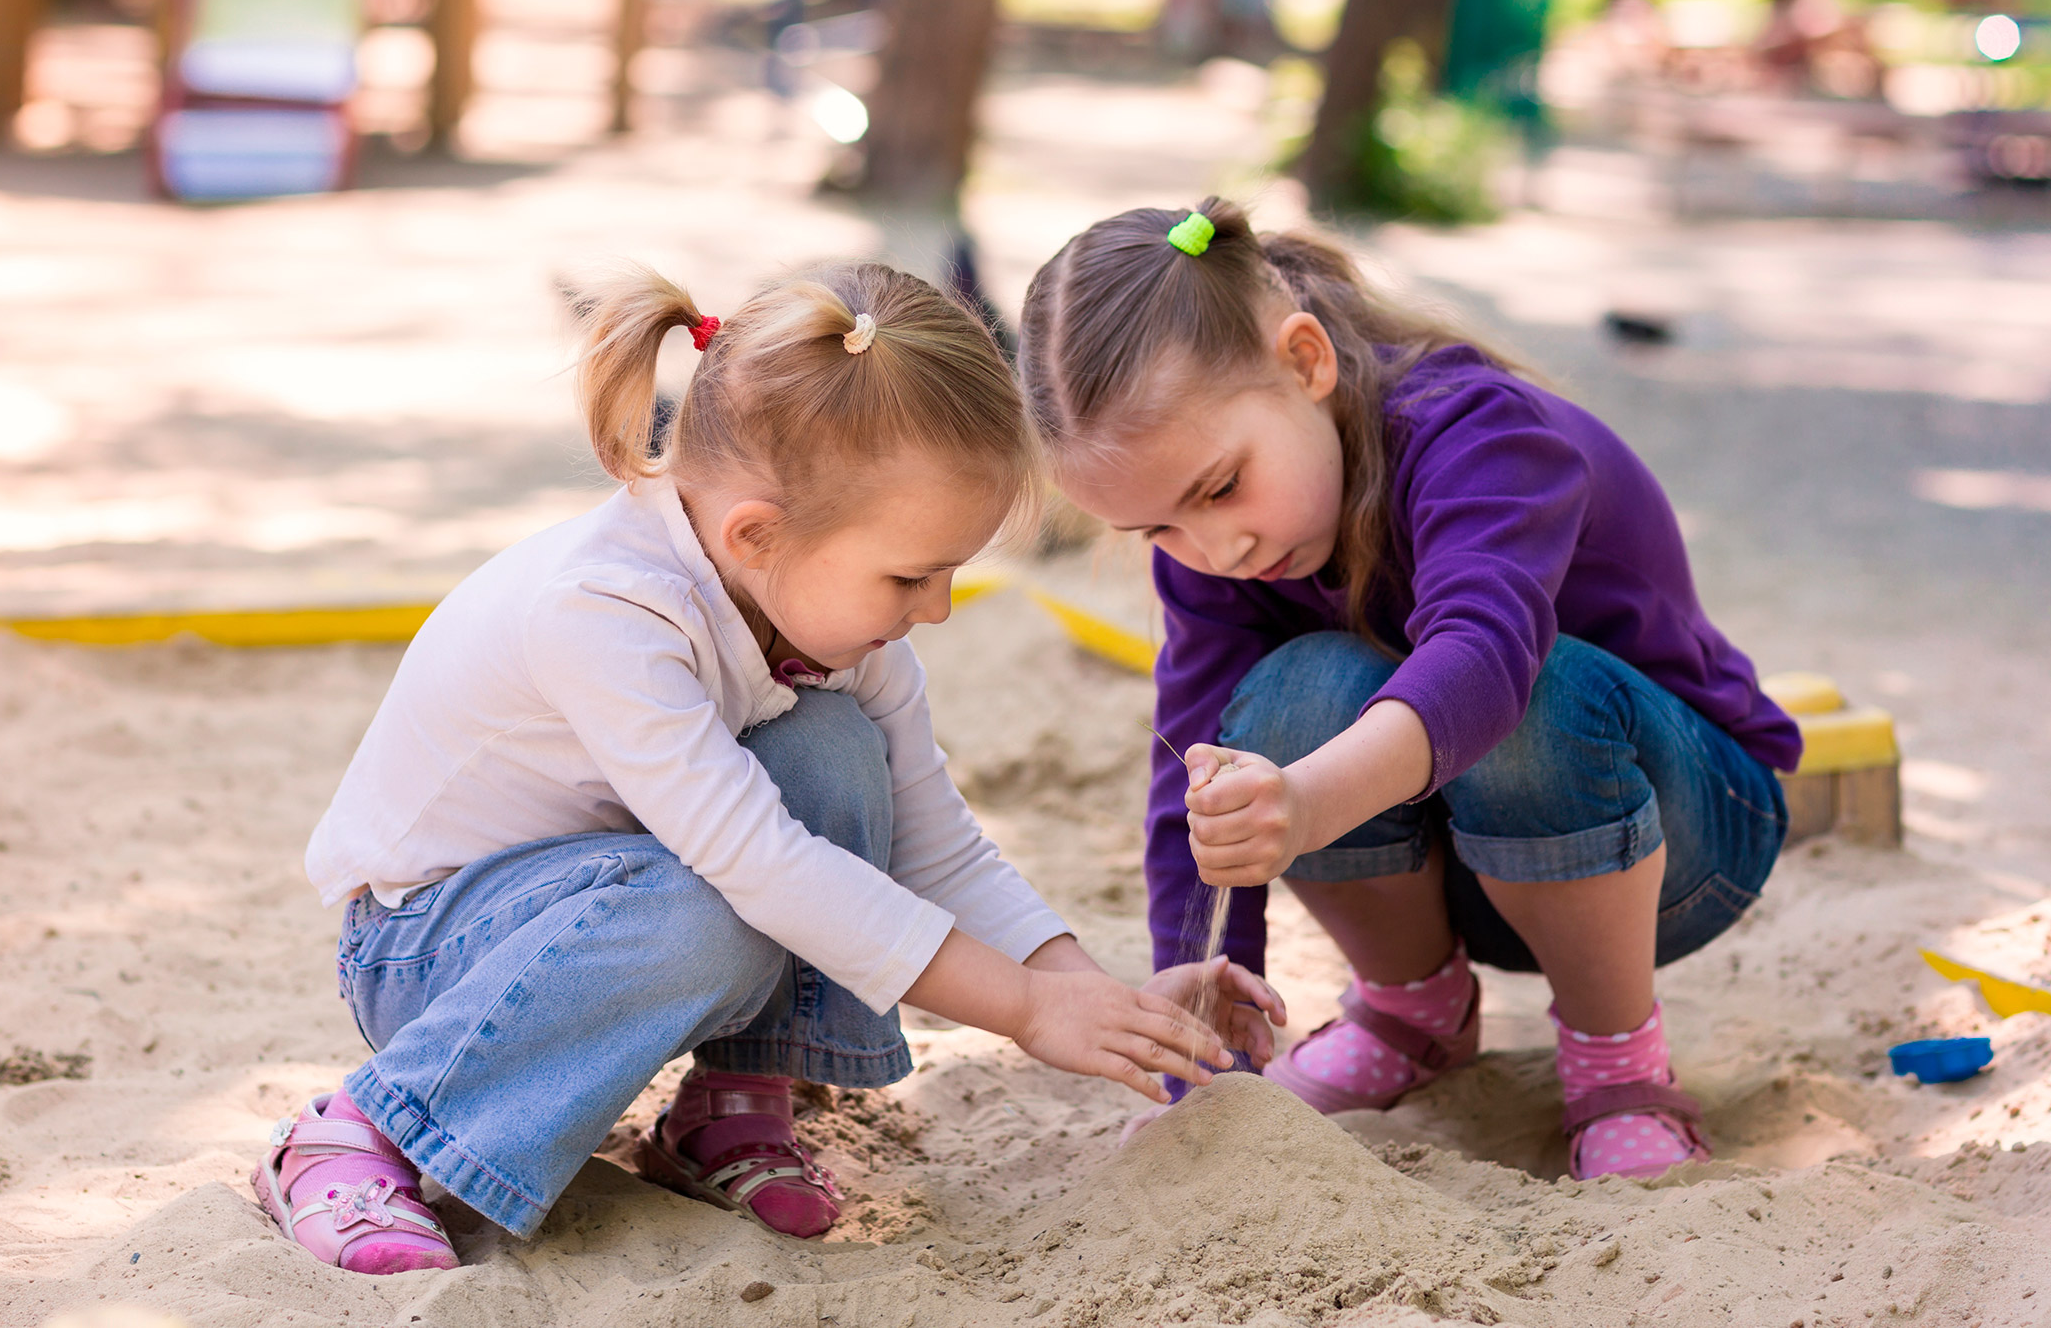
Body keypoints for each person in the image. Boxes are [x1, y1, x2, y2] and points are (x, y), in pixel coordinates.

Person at [267, 261, 1283, 1273]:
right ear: (757, 531)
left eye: (950, 573)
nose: (933, 607)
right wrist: (1020, 1009)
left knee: (836, 751)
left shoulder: (838, 628)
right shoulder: (607, 613)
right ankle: (365, 1127)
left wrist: (1090, 995)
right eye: (910, 573)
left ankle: (734, 1102)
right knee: (721, 904)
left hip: (613, 910)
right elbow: (763, 866)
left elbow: (936, 838)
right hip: (438, 957)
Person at [1016, 200, 1797, 1180]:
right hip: (1478, 862)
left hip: (1688, 837)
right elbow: (1194, 775)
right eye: (1157, 529)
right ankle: (1410, 1009)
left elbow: (1480, 662)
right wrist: (1200, 1052)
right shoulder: (1216, 559)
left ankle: (1617, 1061)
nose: (1215, 548)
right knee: (1286, 696)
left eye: (1219, 488)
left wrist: (1300, 801)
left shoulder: (1479, 435)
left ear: (1305, 362)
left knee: (1531, 694)